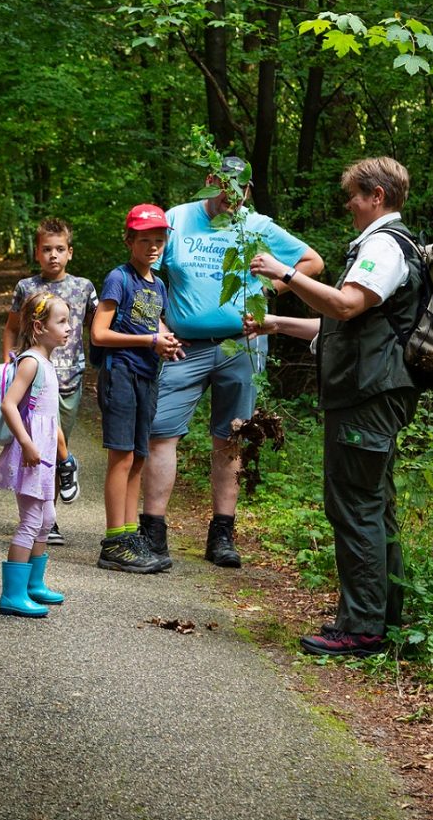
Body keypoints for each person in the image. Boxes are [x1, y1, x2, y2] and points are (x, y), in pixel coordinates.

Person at [245, 157, 421, 658]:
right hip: (369, 392)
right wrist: (277, 325)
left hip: (367, 396)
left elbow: (344, 305)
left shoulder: (384, 246)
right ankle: (382, 620)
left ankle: (361, 628)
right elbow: (343, 328)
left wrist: (284, 273)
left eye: (354, 195)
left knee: (355, 506)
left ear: (377, 197)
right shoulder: (384, 247)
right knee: (372, 505)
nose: (348, 204)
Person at [141, 156, 323, 569]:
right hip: (183, 345)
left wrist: (268, 293)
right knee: (160, 434)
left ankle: (222, 534)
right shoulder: (178, 220)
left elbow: (312, 261)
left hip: (240, 346)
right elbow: (145, 272)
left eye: (241, 188)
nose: (233, 196)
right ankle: (153, 531)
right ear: (210, 182)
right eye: (225, 185)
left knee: (230, 438)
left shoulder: (255, 225)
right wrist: (157, 326)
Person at [90, 205, 181, 574]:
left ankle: (130, 535)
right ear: (129, 240)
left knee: (139, 457)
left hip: (147, 374)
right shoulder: (118, 278)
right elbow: (99, 333)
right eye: (145, 240)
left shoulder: (157, 284)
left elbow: (152, 322)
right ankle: (114, 541)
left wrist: (165, 339)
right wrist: (149, 340)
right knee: (122, 456)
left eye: (159, 240)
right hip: (121, 373)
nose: (153, 247)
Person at [1, 218, 98, 545]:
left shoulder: (83, 287)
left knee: (55, 445)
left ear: (70, 252)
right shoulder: (26, 288)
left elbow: (99, 327)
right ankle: (43, 507)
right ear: (37, 253)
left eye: (59, 249)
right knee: (40, 446)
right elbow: (12, 327)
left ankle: (49, 513)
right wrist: (8, 364)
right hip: (32, 379)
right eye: (46, 249)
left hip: (69, 378)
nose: (53, 255)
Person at [0, 292, 70, 617]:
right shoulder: (32, 362)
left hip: (45, 455)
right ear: (38, 326)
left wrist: (63, 452)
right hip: (31, 454)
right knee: (32, 519)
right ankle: (12, 594)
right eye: (60, 322)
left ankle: (33, 584)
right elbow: (9, 404)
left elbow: (52, 418)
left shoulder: (47, 363)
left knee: (47, 519)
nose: (67, 328)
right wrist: (27, 443)